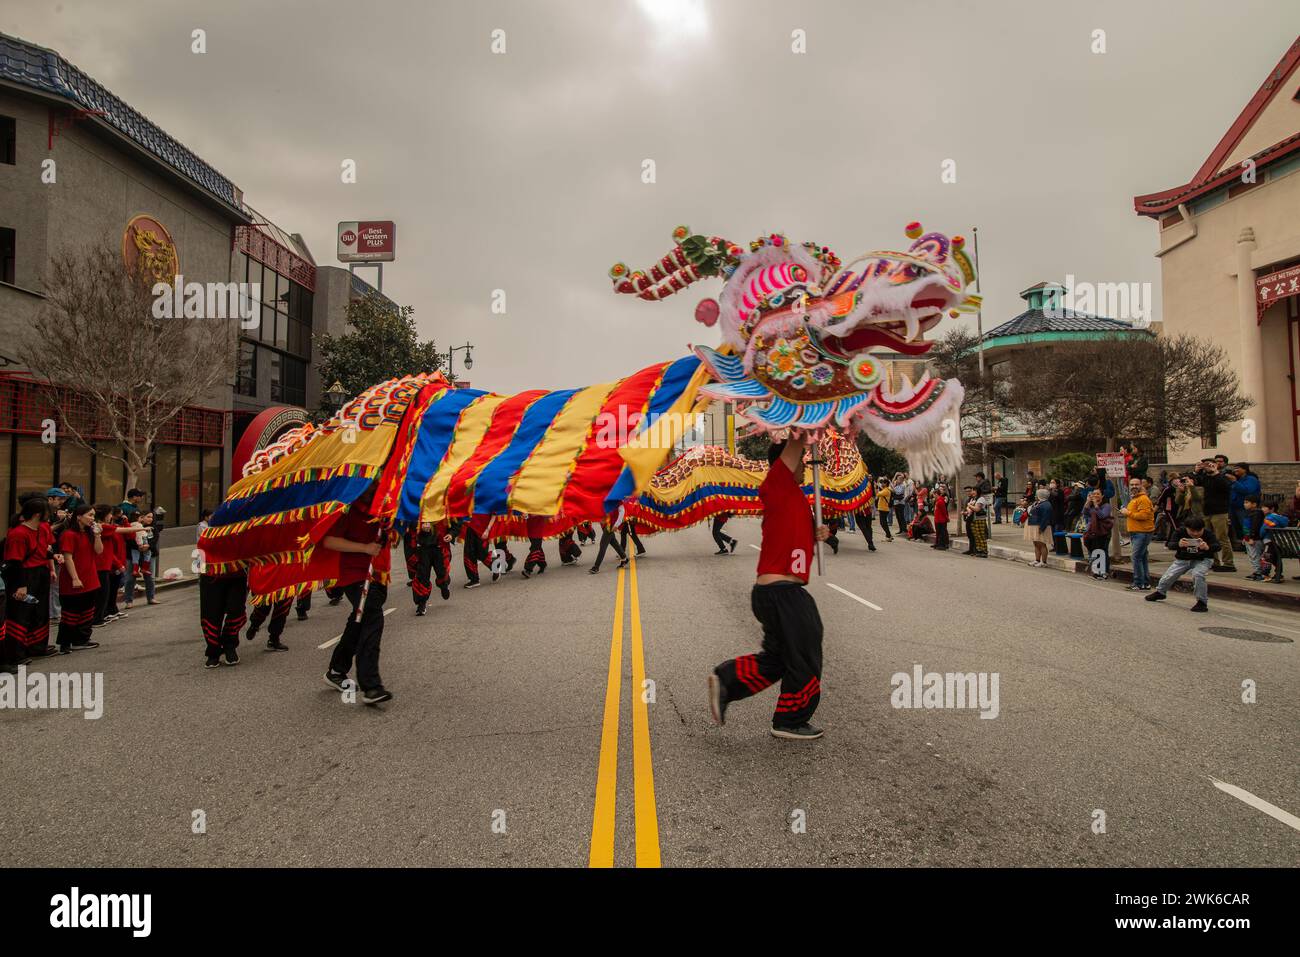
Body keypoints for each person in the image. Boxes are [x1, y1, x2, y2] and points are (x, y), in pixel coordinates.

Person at [707, 435, 830, 741]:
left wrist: (817, 534)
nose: (804, 466)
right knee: (804, 655)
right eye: (800, 461)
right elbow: (798, 440)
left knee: (778, 659)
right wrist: (809, 410)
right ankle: (790, 720)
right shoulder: (777, 483)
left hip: (777, 593)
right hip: (783, 593)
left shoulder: (793, 498)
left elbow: (791, 538)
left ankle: (726, 681)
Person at [322, 494, 395, 705]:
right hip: (355, 574)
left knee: (359, 620)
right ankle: (371, 686)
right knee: (373, 618)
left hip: (378, 572)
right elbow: (328, 540)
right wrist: (364, 548)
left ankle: (336, 669)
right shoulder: (348, 506)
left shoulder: (384, 506)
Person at [2, 499, 59, 659]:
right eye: (48, 512)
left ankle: (37, 647)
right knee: (21, 613)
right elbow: (15, 561)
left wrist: (53, 558)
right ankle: (16, 652)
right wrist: (21, 585)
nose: (50, 515)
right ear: (37, 514)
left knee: (39, 612)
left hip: (40, 573)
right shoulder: (18, 533)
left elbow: (44, 550)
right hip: (24, 575)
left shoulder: (42, 528)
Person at [56, 504, 102, 653]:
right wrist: (75, 578)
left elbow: (99, 551)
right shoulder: (69, 534)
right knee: (71, 613)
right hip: (73, 579)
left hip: (90, 578)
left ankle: (81, 639)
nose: (92, 519)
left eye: (93, 515)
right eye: (89, 515)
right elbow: (68, 558)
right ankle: (65, 643)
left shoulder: (90, 533)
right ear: (79, 517)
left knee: (88, 611)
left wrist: (97, 535)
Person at [1145, 516, 1217, 612]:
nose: (1195, 534)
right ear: (1186, 528)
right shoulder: (1180, 532)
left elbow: (1217, 546)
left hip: (1203, 559)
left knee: (1198, 574)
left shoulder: (1208, 533)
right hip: (1183, 559)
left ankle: (1201, 602)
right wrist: (1178, 544)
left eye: (1199, 531)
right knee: (1169, 575)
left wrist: (1208, 547)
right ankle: (1160, 592)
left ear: (1203, 528)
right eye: (1192, 531)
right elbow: (1170, 544)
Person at [1193, 459, 1236, 572]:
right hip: (1207, 511)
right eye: (1205, 465)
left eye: (1209, 464)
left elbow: (1225, 486)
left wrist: (1215, 472)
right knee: (1208, 538)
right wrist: (1197, 471)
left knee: (1222, 538)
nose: (1207, 467)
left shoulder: (1222, 478)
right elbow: (1195, 482)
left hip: (1220, 511)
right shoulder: (1205, 478)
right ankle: (1214, 561)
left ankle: (1228, 563)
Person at [1120, 478, 1154, 590]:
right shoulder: (1134, 499)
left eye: (1136, 484)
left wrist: (1127, 512)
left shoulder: (1143, 499)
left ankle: (1138, 583)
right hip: (1136, 532)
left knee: (1136, 557)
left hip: (1142, 532)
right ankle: (1145, 582)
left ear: (1141, 486)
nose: (1134, 486)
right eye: (1131, 484)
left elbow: (1143, 516)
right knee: (1142, 557)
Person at [1082, 489, 1113, 579]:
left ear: (1102, 496)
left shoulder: (1106, 506)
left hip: (1103, 532)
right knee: (1095, 551)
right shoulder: (1091, 505)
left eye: (1098, 494)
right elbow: (1084, 513)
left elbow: (1102, 516)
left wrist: (1096, 505)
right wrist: (1088, 502)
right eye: (1094, 494)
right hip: (1093, 532)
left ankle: (1104, 572)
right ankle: (1096, 571)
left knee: (1102, 551)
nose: (1095, 495)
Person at [1228, 464, 1259, 553]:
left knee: (1246, 526)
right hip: (1233, 507)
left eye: (1238, 468)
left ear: (1244, 470)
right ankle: (1243, 544)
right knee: (1236, 527)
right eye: (1234, 469)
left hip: (1244, 508)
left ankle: (1250, 545)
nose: (1235, 470)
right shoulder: (1236, 480)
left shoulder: (1251, 479)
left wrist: (1234, 481)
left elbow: (1247, 491)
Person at [1025, 488, 1054, 567]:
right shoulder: (1038, 503)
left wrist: (1042, 528)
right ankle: (1037, 560)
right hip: (1034, 525)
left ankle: (1044, 562)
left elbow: (1046, 517)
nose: (1035, 496)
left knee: (1042, 544)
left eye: (1037, 495)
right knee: (1036, 543)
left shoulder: (1046, 504)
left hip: (1041, 526)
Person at [1241, 495, 1266, 581]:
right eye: (1244, 502)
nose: (1244, 504)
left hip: (1255, 539)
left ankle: (1259, 573)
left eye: (1247, 502)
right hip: (1249, 537)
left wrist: (1251, 537)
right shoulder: (1249, 513)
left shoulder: (1257, 513)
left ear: (1254, 504)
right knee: (1252, 556)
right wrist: (1245, 537)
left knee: (1255, 555)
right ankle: (1257, 571)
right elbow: (1247, 527)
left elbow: (1255, 526)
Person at [931, 484, 950, 550]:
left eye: (934, 494)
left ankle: (942, 545)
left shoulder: (941, 501)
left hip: (941, 520)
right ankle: (938, 543)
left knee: (942, 533)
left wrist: (947, 518)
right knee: (938, 532)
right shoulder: (937, 501)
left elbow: (944, 511)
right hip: (937, 519)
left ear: (936, 494)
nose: (933, 496)